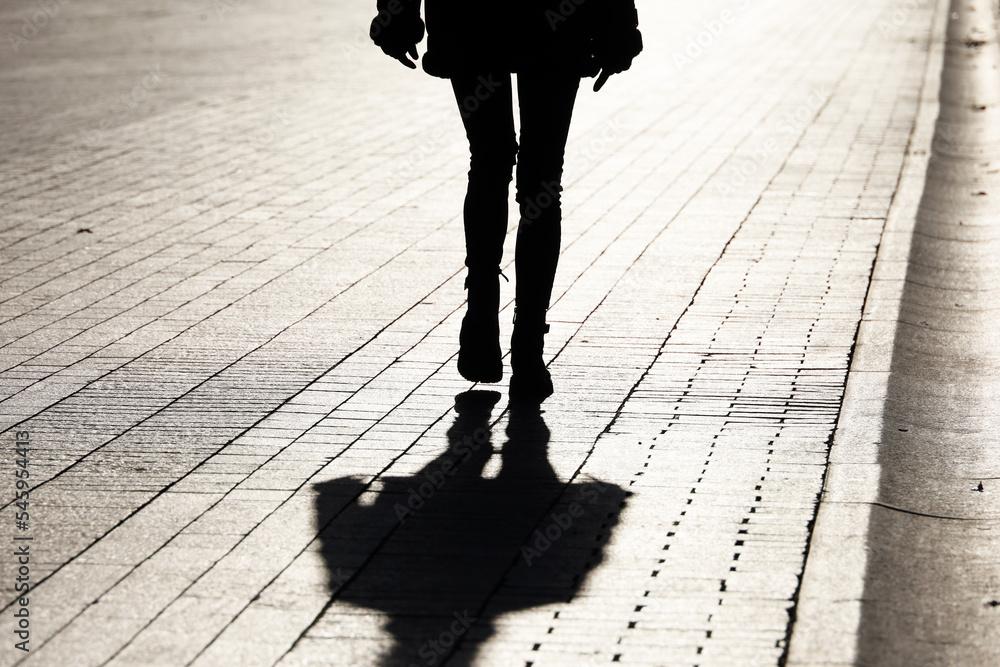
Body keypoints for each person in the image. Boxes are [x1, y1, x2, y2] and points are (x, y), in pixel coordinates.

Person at [370, 0, 642, 401]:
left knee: (489, 159)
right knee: (542, 177)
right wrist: (617, 25)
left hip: (470, 17)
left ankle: (481, 312)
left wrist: (398, 14)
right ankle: (529, 346)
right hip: (555, 22)